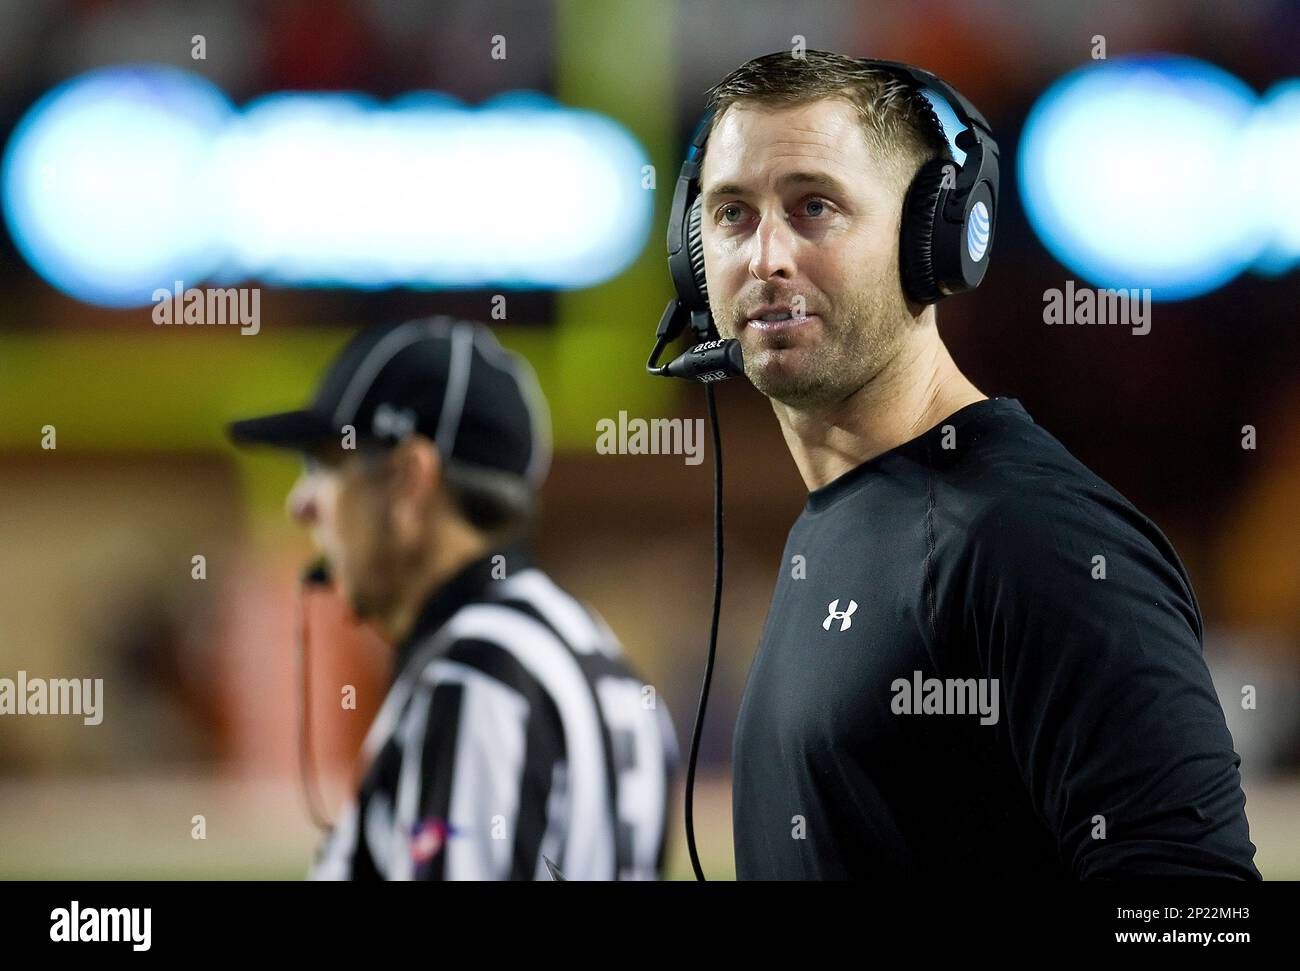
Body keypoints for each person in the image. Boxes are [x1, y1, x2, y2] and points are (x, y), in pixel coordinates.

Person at [692, 51, 1259, 878]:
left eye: (815, 206)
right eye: (732, 214)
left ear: (935, 238)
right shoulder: (845, 519)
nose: (766, 256)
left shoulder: (1032, 537)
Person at [228, 315, 676, 880]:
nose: (302, 503)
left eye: (325, 464)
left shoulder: (474, 675)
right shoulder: (601, 658)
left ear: (409, 479)